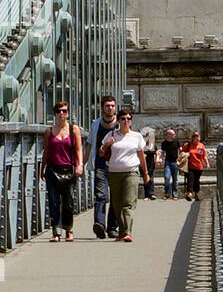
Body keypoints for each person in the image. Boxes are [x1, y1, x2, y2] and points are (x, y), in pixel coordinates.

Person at [99, 109, 151, 241]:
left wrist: (145, 173)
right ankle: (122, 231)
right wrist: (106, 145)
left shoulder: (137, 136)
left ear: (131, 121)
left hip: (131, 172)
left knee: (128, 202)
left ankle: (128, 231)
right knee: (116, 204)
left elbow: (141, 156)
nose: (126, 121)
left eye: (128, 119)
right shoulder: (111, 135)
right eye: (123, 119)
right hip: (114, 173)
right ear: (118, 121)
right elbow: (100, 153)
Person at [41, 99, 83, 241]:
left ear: (68, 113)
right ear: (54, 113)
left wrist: (80, 164)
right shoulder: (49, 131)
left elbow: (78, 149)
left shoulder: (73, 129)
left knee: (68, 202)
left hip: (68, 170)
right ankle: (56, 232)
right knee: (53, 202)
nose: (61, 114)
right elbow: (46, 151)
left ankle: (68, 230)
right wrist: (42, 169)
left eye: (64, 111)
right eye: (58, 111)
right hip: (52, 170)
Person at [86, 94, 119, 239]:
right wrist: (82, 163)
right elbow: (89, 144)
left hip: (118, 166)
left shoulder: (121, 123)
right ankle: (99, 224)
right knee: (101, 195)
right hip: (101, 165)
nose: (110, 108)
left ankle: (112, 227)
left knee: (116, 197)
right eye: (107, 106)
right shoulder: (95, 124)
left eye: (112, 106)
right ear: (102, 108)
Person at [181, 130, 209, 201]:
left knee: (197, 181)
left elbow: (204, 155)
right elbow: (182, 153)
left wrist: (207, 163)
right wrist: (185, 155)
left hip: (199, 166)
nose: (198, 139)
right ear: (193, 138)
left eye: (198, 137)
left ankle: (196, 194)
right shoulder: (188, 145)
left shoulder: (201, 146)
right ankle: (189, 193)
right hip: (190, 166)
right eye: (196, 137)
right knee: (190, 180)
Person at [160, 127, 180, 199]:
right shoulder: (164, 143)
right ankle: (167, 193)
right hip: (168, 162)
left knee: (175, 178)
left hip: (175, 162)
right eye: (172, 134)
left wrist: (180, 160)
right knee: (167, 177)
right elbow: (163, 152)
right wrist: (160, 159)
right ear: (168, 135)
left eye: (174, 134)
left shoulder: (176, 142)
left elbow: (179, 151)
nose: (174, 135)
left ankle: (175, 194)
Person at [142, 125, 157, 200]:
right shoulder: (142, 145)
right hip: (144, 163)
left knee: (151, 178)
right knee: (145, 177)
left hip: (151, 163)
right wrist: (142, 155)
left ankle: (151, 194)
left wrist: (157, 159)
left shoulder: (153, 145)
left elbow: (156, 152)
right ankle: (146, 195)